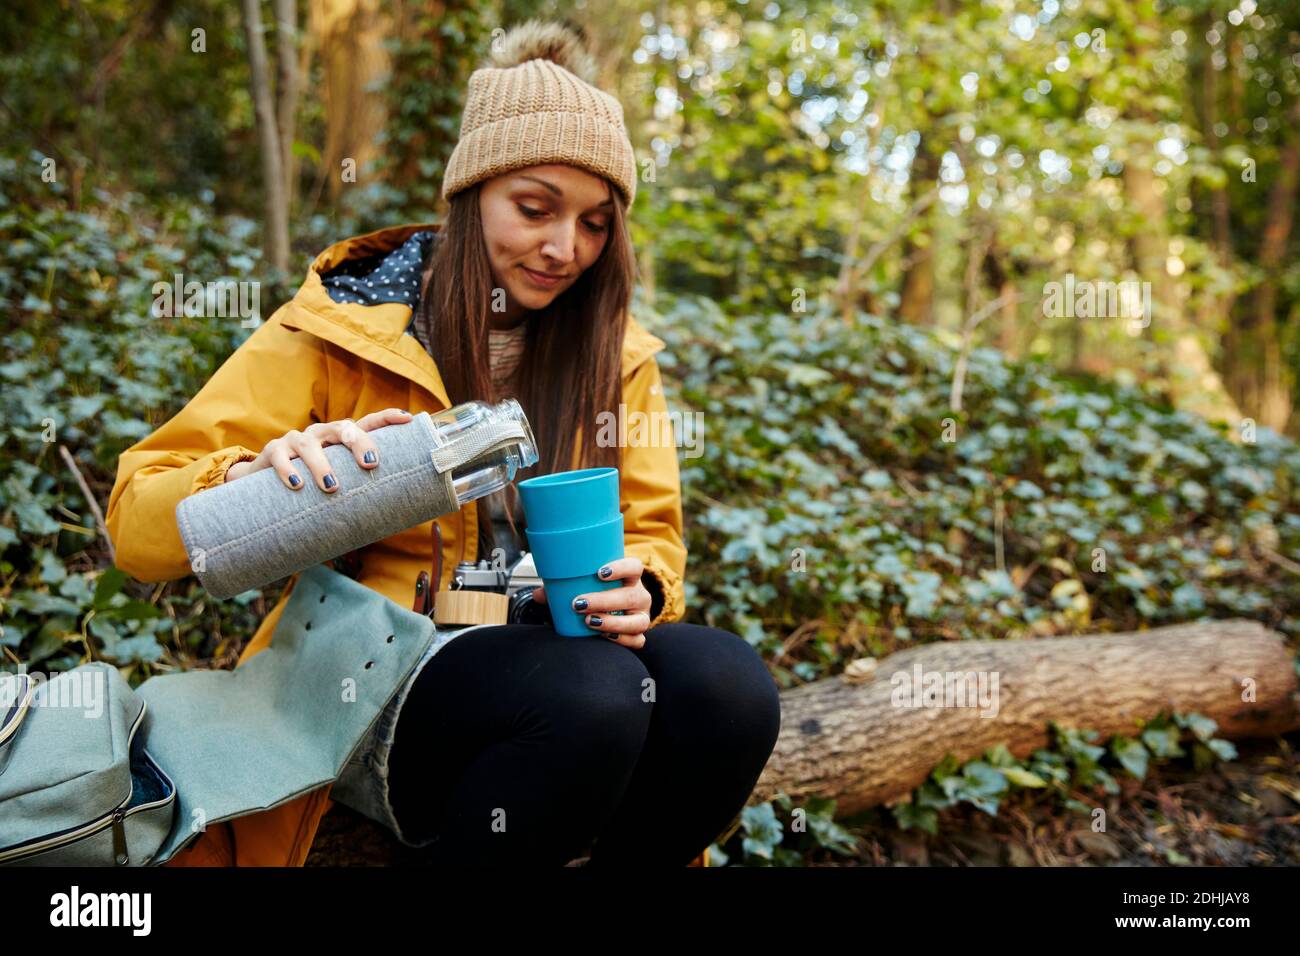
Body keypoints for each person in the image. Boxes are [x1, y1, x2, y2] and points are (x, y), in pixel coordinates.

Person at [105, 19, 780, 867]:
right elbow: (136, 524)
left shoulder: (617, 357)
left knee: (731, 688)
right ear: (470, 195)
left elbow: (651, 532)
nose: (565, 248)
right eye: (534, 208)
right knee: (595, 694)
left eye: (596, 223)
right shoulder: (343, 327)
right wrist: (254, 473)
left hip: (551, 656)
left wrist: (641, 584)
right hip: (373, 672)